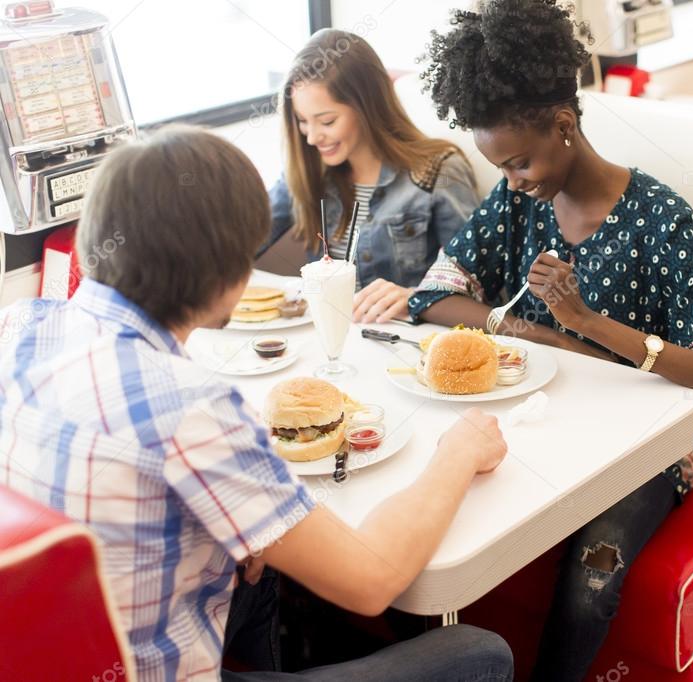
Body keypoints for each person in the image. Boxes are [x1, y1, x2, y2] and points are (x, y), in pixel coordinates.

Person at [0, 126, 513, 682]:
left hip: (51, 651)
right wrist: (457, 452)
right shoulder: (190, 405)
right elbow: (373, 579)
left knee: (260, 568)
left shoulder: (20, 327)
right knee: (480, 654)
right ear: (225, 274)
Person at [414, 1, 693, 679]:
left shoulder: (660, 220)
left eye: (518, 162)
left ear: (564, 124)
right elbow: (432, 294)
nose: (512, 181)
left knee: (590, 577)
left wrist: (590, 326)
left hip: (648, 445)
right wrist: (524, 328)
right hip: (545, 424)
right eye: (502, 168)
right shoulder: (519, 201)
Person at [259, 29, 479, 323]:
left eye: (327, 121)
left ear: (366, 107)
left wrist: (415, 298)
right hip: (330, 338)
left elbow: (478, 284)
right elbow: (247, 238)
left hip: (402, 340)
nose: (312, 137)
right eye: (302, 121)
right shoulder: (307, 168)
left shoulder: (438, 172)